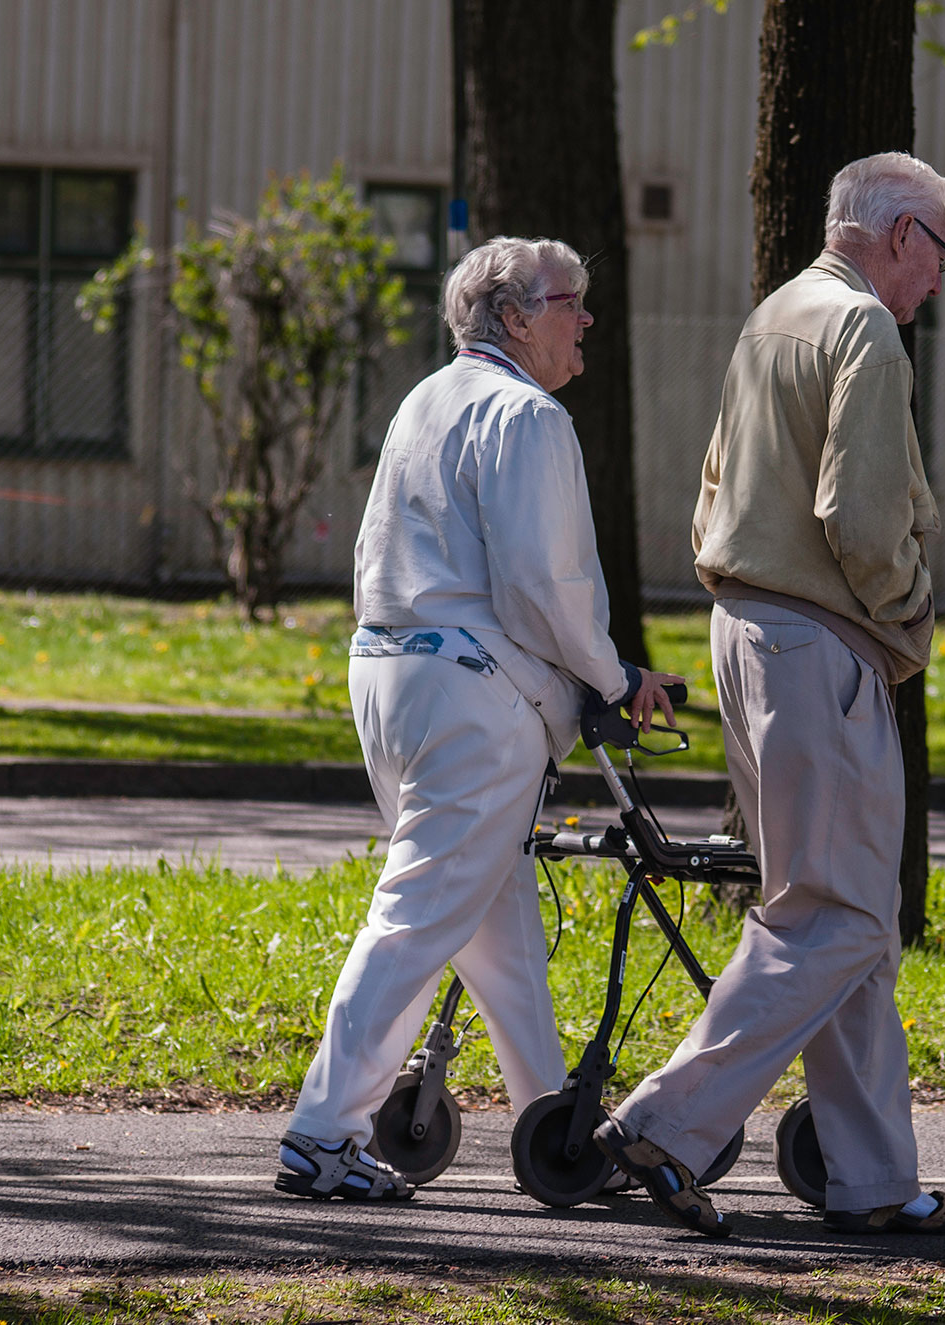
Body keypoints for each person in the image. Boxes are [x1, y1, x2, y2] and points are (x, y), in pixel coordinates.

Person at [593, 152, 945, 1237]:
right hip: (820, 642)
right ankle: (666, 1120)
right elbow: (858, 516)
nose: (937, 278)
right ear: (899, 234)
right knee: (839, 911)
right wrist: (906, 603)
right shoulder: (864, 329)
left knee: (836, 912)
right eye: (937, 251)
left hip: (747, 630)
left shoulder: (773, 316)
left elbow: (713, 484)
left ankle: (873, 1179)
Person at [276, 236, 682, 1200]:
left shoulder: (426, 399)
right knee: (420, 914)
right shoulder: (528, 416)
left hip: (390, 675)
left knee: (495, 923)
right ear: (513, 317)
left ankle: (561, 1127)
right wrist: (616, 675)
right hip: (473, 694)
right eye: (569, 302)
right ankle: (321, 1133)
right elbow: (546, 583)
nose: (586, 319)